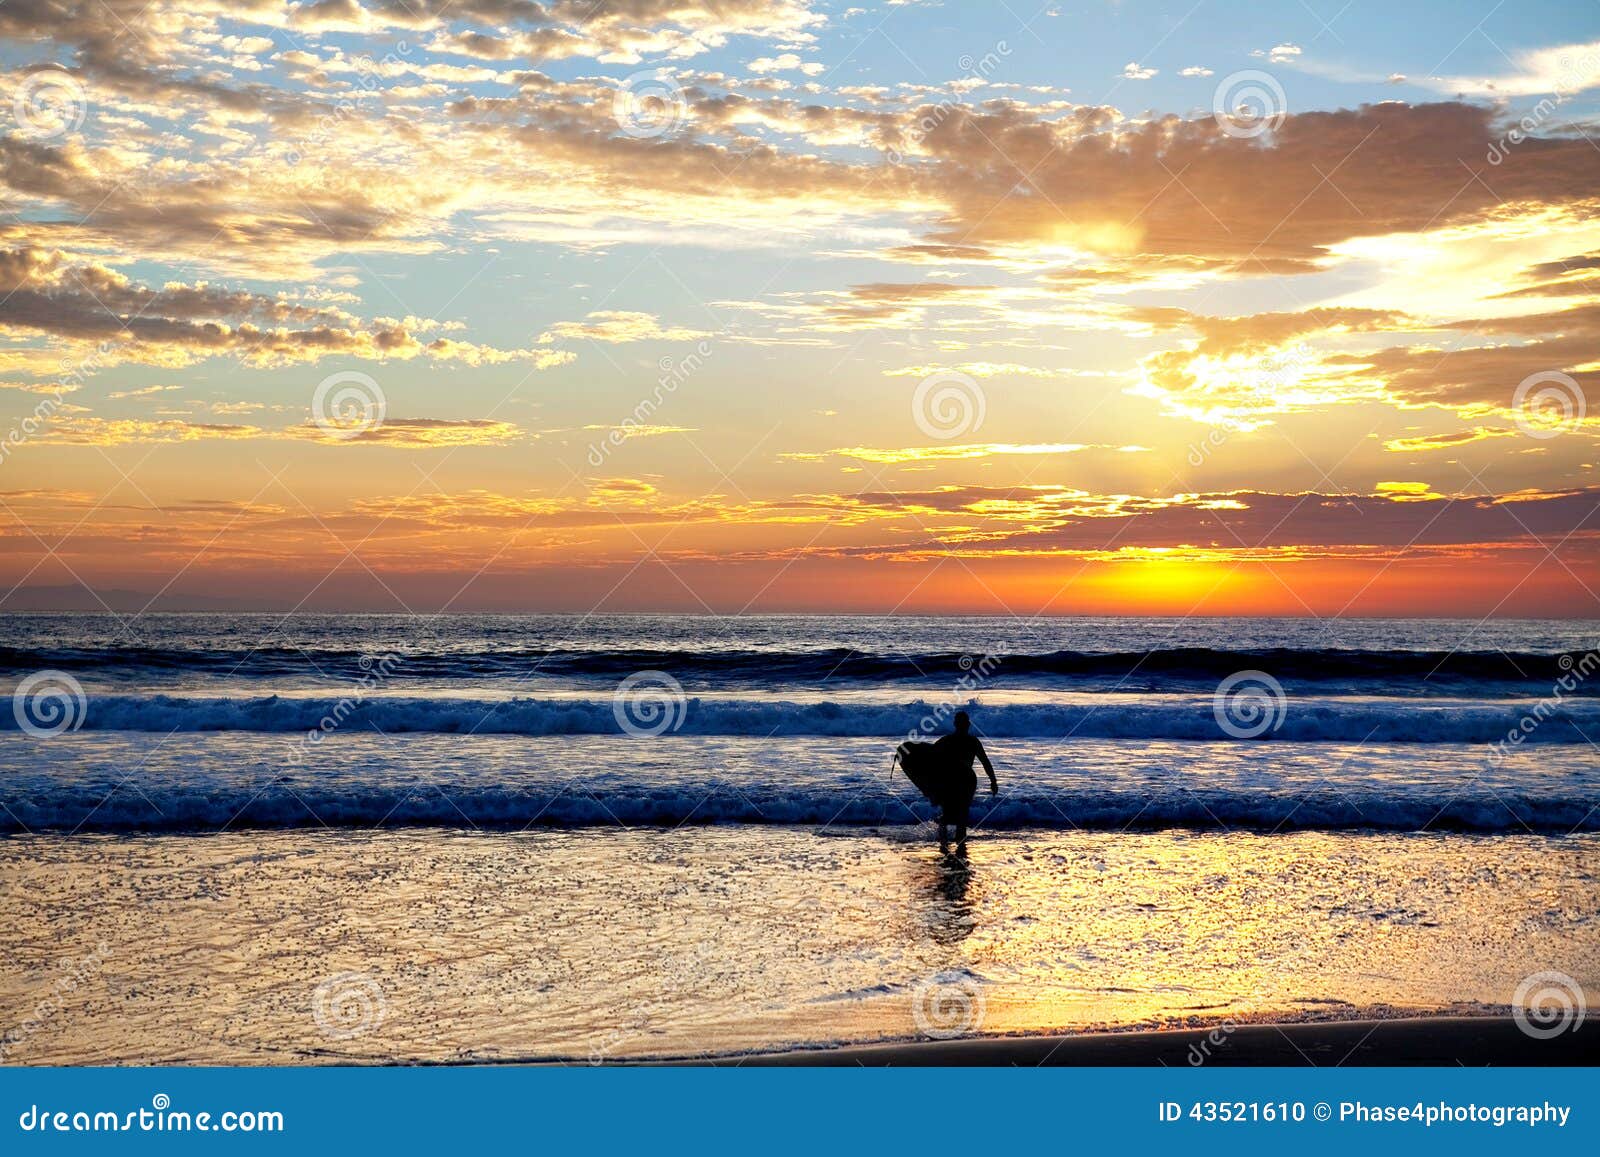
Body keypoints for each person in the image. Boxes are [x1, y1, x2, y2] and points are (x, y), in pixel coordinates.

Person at [931, 711, 997, 853]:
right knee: (961, 815)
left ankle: (944, 845)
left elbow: (929, 757)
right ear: (967, 725)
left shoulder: (947, 740)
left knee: (948, 814)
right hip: (965, 781)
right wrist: (993, 781)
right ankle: (959, 846)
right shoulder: (971, 741)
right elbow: (985, 763)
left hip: (952, 781)